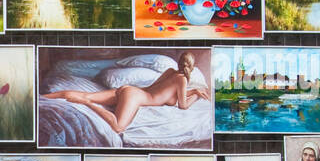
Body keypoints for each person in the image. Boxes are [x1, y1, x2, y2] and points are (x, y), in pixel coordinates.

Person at [44, 51, 210, 135]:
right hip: (134, 96)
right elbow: (183, 105)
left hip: (130, 91)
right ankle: (89, 105)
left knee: (84, 93)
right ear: (192, 67)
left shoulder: (169, 72)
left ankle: (44, 97)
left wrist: (193, 90)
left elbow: (159, 89)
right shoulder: (182, 80)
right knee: (118, 127)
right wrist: (195, 94)